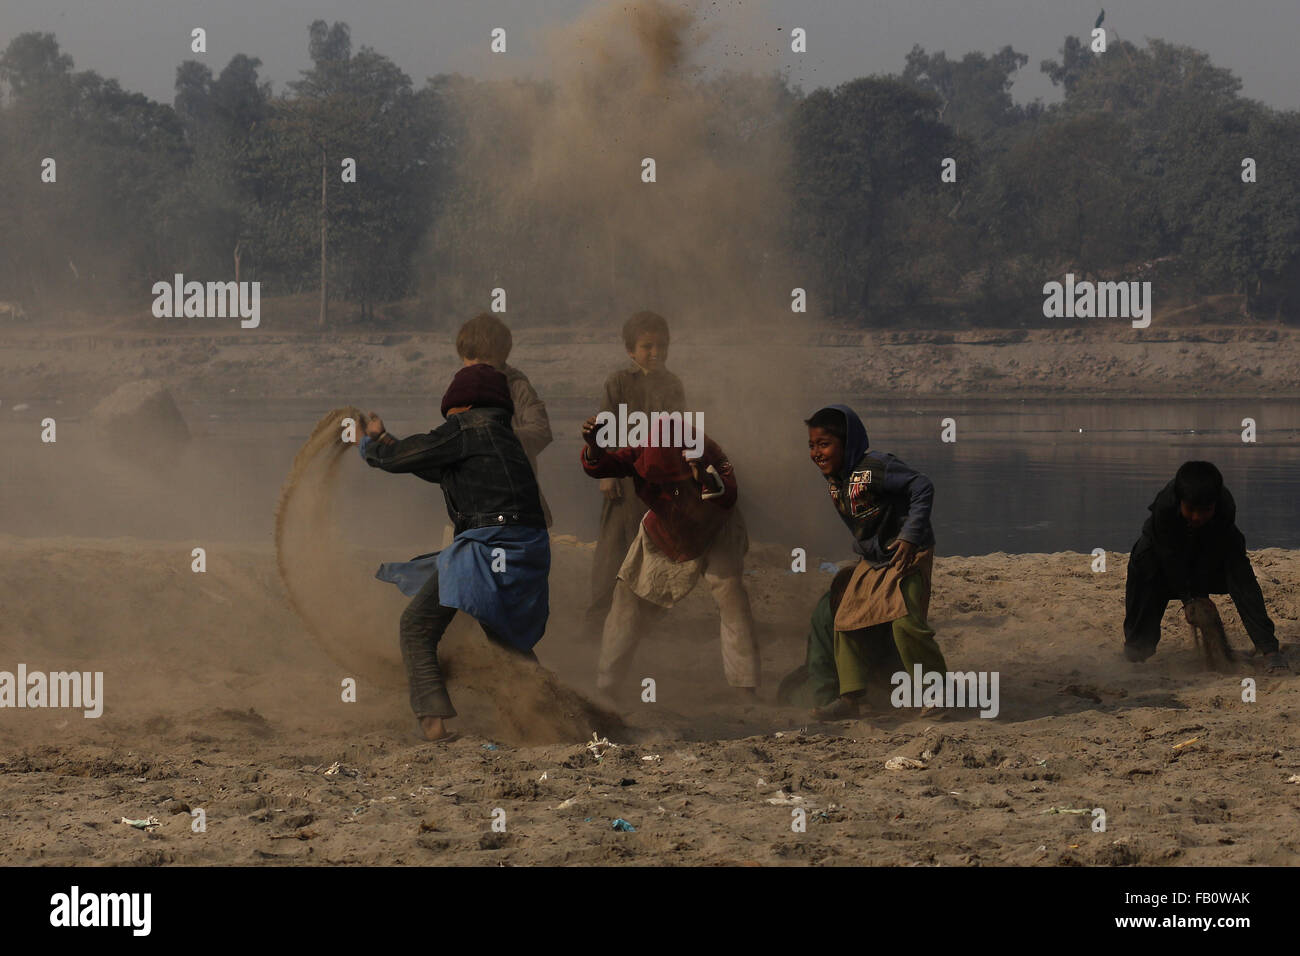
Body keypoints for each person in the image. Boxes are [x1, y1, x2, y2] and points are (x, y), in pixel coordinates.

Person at [357, 362, 551, 741]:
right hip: (526, 549)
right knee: (507, 642)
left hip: (486, 546)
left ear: (460, 405)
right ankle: (550, 715)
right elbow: (431, 463)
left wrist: (370, 446)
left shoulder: (467, 428)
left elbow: (409, 458)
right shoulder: (504, 438)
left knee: (416, 627)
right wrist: (386, 441)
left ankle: (433, 725)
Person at [580, 414, 758, 703]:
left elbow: (729, 493)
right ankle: (607, 685)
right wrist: (594, 448)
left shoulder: (707, 451)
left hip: (715, 529)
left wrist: (706, 479)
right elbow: (601, 465)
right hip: (664, 531)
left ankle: (745, 687)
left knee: (732, 597)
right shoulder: (642, 450)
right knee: (626, 598)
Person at [805, 405, 948, 719]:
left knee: (906, 624)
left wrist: (910, 535)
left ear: (849, 442)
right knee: (845, 618)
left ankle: (937, 695)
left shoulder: (876, 467)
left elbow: (922, 485)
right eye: (812, 445)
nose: (817, 452)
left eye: (824, 444)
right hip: (874, 560)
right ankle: (852, 698)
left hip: (906, 553)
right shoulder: (836, 481)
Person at [1124, 460, 1286, 672]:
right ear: (1180, 501)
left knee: (1240, 571)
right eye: (1190, 510)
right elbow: (1169, 557)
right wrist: (1188, 598)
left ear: (1216, 505)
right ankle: (1137, 651)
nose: (1197, 517)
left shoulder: (1226, 508)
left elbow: (1211, 552)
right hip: (1162, 562)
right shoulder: (1164, 508)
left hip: (1206, 559)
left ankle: (1269, 650)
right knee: (1144, 564)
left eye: (1205, 510)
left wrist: (1201, 595)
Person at [584, 311, 687, 641]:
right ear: (631, 350)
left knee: (653, 549)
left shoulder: (673, 384)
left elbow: (681, 432)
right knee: (612, 549)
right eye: (647, 346)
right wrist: (606, 473)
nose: (656, 353)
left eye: (662, 346)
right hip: (624, 480)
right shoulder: (618, 382)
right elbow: (604, 427)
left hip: (657, 484)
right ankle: (596, 618)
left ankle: (646, 620)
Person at [455, 312, 554, 526]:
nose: (472, 365)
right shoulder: (462, 389)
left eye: (479, 358)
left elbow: (541, 430)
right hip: (475, 500)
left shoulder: (517, 387)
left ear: (499, 356)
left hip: (514, 496)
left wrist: (498, 435)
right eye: (468, 358)